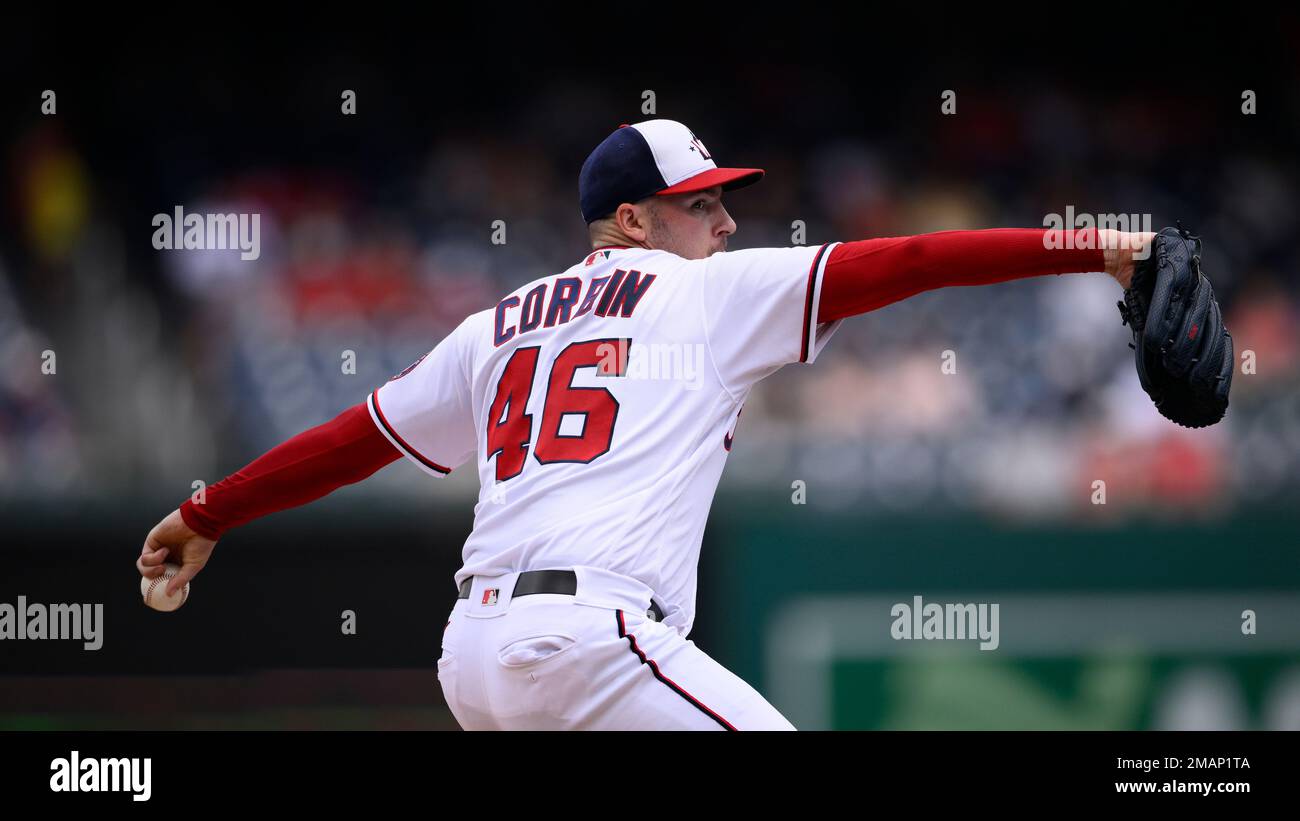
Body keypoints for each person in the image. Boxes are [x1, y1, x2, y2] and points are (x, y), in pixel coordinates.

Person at [138, 119, 1148, 729]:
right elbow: (915, 259)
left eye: (721, 205)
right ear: (635, 219)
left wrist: (207, 512)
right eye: (700, 204)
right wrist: (1095, 247)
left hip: (476, 658)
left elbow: (350, 441)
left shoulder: (494, 324)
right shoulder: (707, 294)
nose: (725, 223)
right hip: (589, 639)